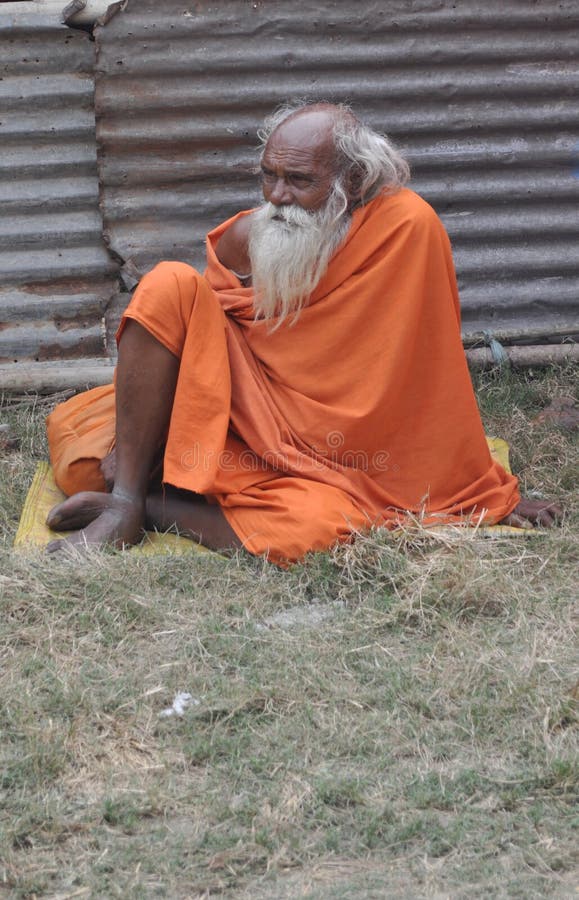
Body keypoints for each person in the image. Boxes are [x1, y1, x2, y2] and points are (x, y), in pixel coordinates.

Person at [45, 102, 561, 563]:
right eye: (268, 175)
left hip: (339, 457)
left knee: (318, 526)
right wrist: (154, 437)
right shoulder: (254, 233)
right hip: (243, 423)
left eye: (298, 180)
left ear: (354, 182)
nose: (277, 195)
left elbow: (431, 374)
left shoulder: (407, 229)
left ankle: (156, 508)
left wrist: (488, 497)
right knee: (164, 288)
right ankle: (126, 500)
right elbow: (195, 339)